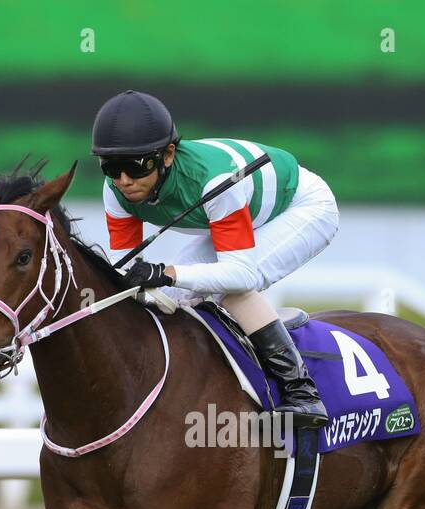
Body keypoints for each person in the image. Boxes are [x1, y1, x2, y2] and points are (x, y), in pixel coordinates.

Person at [93, 90, 338, 427]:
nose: (123, 180)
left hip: (304, 207)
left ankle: (303, 393)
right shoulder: (115, 191)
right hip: (243, 210)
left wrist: (166, 272)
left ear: (167, 155)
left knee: (230, 289)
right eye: (111, 167)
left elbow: (241, 275)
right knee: (170, 296)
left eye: (136, 166)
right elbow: (125, 272)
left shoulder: (215, 182)